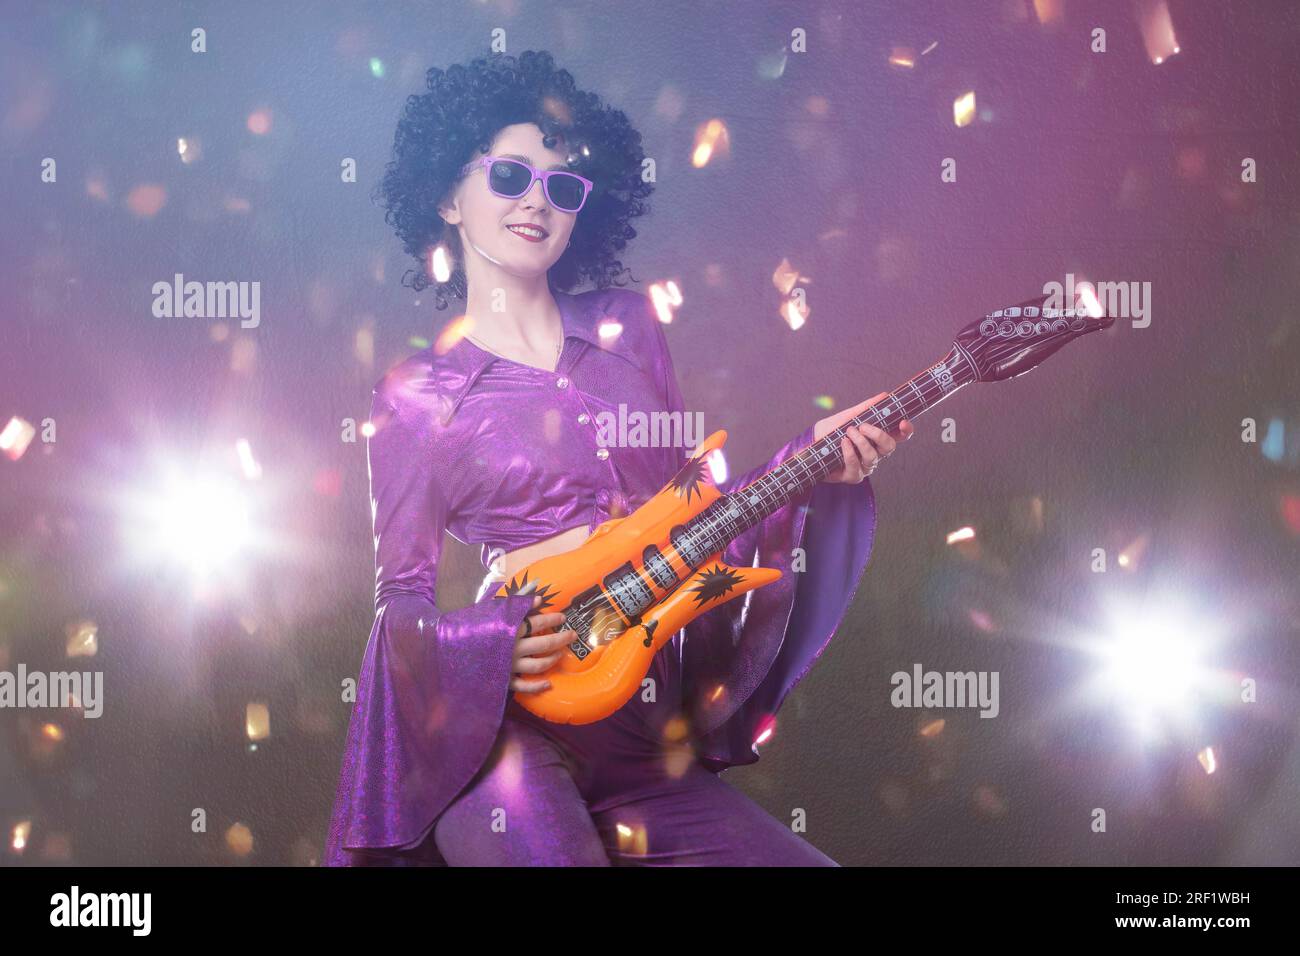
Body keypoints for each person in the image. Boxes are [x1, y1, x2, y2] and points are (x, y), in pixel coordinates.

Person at [324, 50, 911, 867]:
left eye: (562, 186)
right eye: (508, 176)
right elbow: (401, 602)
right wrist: (484, 643)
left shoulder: (628, 331)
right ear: (445, 196)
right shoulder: (416, 395)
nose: (537, 201)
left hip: (638, 726)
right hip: (506, 738)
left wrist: (811, 461)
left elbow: (690, 521)